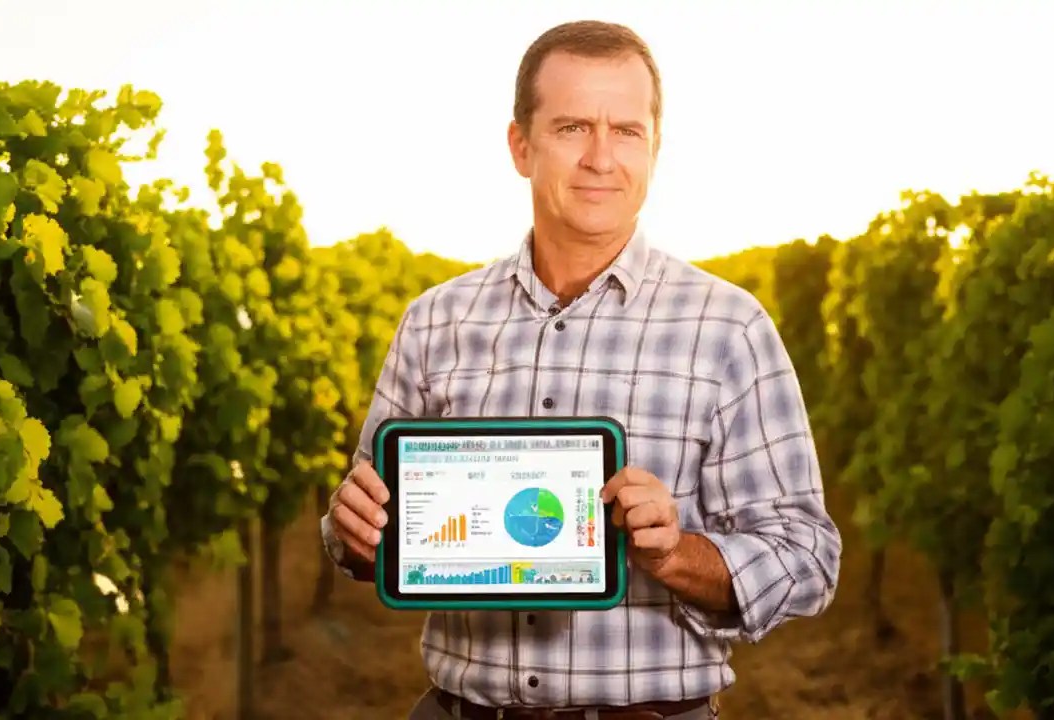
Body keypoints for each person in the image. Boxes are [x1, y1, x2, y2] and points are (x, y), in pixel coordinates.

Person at [320, 19, 841, 720]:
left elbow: (808, 558)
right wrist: (352, 533)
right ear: (520, 146)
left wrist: (676, 554)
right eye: (572, 128)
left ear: (655, 147)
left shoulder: (729, 328)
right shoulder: (435, 321)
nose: (602, 157)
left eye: (626, 130)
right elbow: (360, 531)